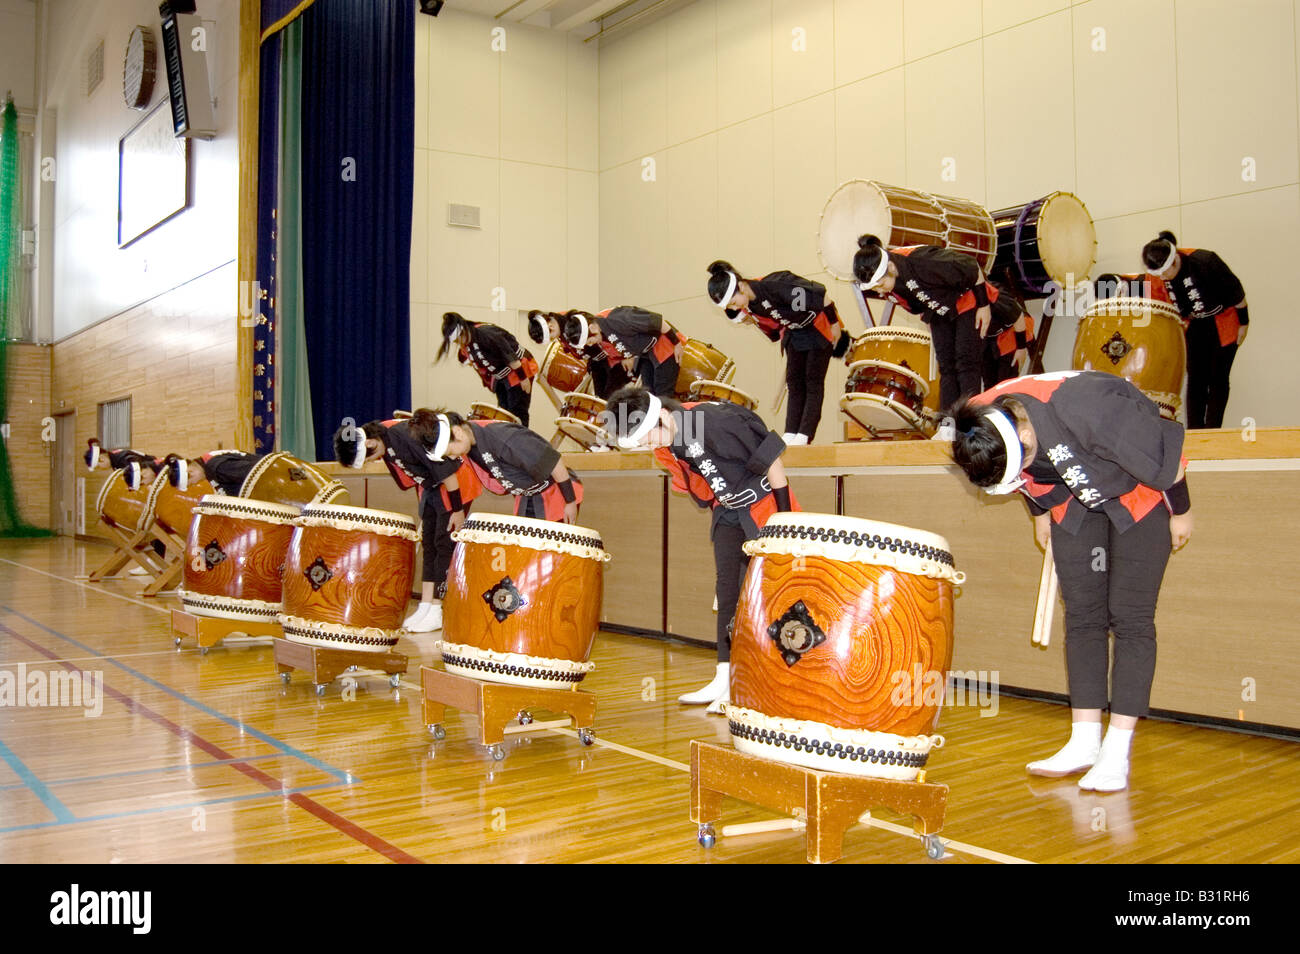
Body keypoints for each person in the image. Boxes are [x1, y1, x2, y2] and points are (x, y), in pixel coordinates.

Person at [948, 370, 1193, 792]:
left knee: (1130, 618)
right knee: (1082, 617)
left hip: (1139, 492)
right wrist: (1041, 514)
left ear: (1024, 434)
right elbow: (1020, 477)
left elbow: (1160, 455)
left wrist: (1182, 511)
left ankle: (1117, 751)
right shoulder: (984, 416)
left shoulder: (1086, 406)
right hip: (1071, 499)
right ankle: (1084, 741)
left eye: (1021, 463)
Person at [600, 385, 797, 712]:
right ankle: (724, 674)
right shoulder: (667, 440)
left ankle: (749, 679)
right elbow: (701, 484)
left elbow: (773, 461)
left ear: (662, 416)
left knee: (760, 591)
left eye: (648, 436)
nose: (648, 444)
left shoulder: (714, 421)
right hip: (727, 509)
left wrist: (785, 521)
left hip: (763, 505)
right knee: (727, 589)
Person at [333, 410, 478, 633]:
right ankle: (426, 605)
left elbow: (447, 473)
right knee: (429, 546)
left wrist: (458, 511)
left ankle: (439, 609)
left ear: (370, 442)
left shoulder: (405, 435)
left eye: (369, 457)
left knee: (443, 545)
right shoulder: (386, 440)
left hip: (455, 486)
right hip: (433, 490)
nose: (373, 461)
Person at [706, 260, 846, 445]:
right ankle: (790, 433)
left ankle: (804, 435)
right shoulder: (751, 307)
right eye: (730, 308)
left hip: (817, 327)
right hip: (794, 333)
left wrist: (835, 325)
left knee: (812, 381)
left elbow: (822, 296)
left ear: (741, 286)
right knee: (794, 382)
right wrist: (752, 321)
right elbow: (773, 332)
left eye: (733, 303)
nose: (735, 308)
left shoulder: (776, 284)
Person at [852, 235, 996, 410]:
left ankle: (972, 419)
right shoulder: (890, 283)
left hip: (966, 299)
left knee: (966, 362)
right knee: (946, 366)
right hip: (938, 310)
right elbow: (917, 303)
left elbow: (972, 267)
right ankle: (948, 421)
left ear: (890, 267)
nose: (881, 291)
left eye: (881, 284)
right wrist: (928, 319)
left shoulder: (923, 260)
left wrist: (983, 305)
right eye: (875, 288)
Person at [1141, 230, 1249, 429]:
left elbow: (1237, 294)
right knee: (1196, 379)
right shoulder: (1156, 275)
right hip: (1192, 325)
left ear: (1174, 258)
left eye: (1166, 271)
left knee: (1218, 378)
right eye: (1159, 274)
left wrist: (1244, 323)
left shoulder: (1205, 261)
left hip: (1223, 321)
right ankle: (1195, 433)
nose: (1163, 277)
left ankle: (1213, 430)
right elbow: (1159, 308)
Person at [430, 411, 582, 523]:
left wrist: (570, 502)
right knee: (528, 555)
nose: (452, 458)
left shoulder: (504, 437)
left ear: (458, 432)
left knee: (552, 556)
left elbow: (554, 461)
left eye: (450, 452)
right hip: (527, 496)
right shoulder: (471, 444)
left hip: (556, 492)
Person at [437, 312, 538, 427]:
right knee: (504, 414)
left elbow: (508, 354)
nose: (458, 343)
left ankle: (522, 441)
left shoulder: (486, 333)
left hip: (518, 369)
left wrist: (523, 377)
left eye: (457, 340)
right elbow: (468, 359)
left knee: (517, 413)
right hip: (502, 377)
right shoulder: (468, 343)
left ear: (462, 332)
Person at [563, 306, 684, 400]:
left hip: (664, 345)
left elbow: (658, 321)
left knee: (663, 396)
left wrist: (676, 343)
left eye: (589, 341)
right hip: (646, 354)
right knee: (650, 397)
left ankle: (669, 428)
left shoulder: (618, 319)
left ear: (592, 328)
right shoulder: (601, 331)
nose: (590, 345)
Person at [982, 277, 1033, 389]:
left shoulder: (994, 292)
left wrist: (1021, 348)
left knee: (1005, 383)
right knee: (989, 383)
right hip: (989, 334)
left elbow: (1018, 317)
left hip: (1014, 330)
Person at [84, 439, 165, 492]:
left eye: (98, 467)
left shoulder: (123, 459)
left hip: (160, 472)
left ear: (101, 459)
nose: (101, 469)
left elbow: (143, 473)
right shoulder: (115, 460)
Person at [166, 450, 262, 495]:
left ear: (190, 472)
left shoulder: (217, 468)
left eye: (191, 483)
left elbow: (259, 473)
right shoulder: (209, 466)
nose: (195, 483)